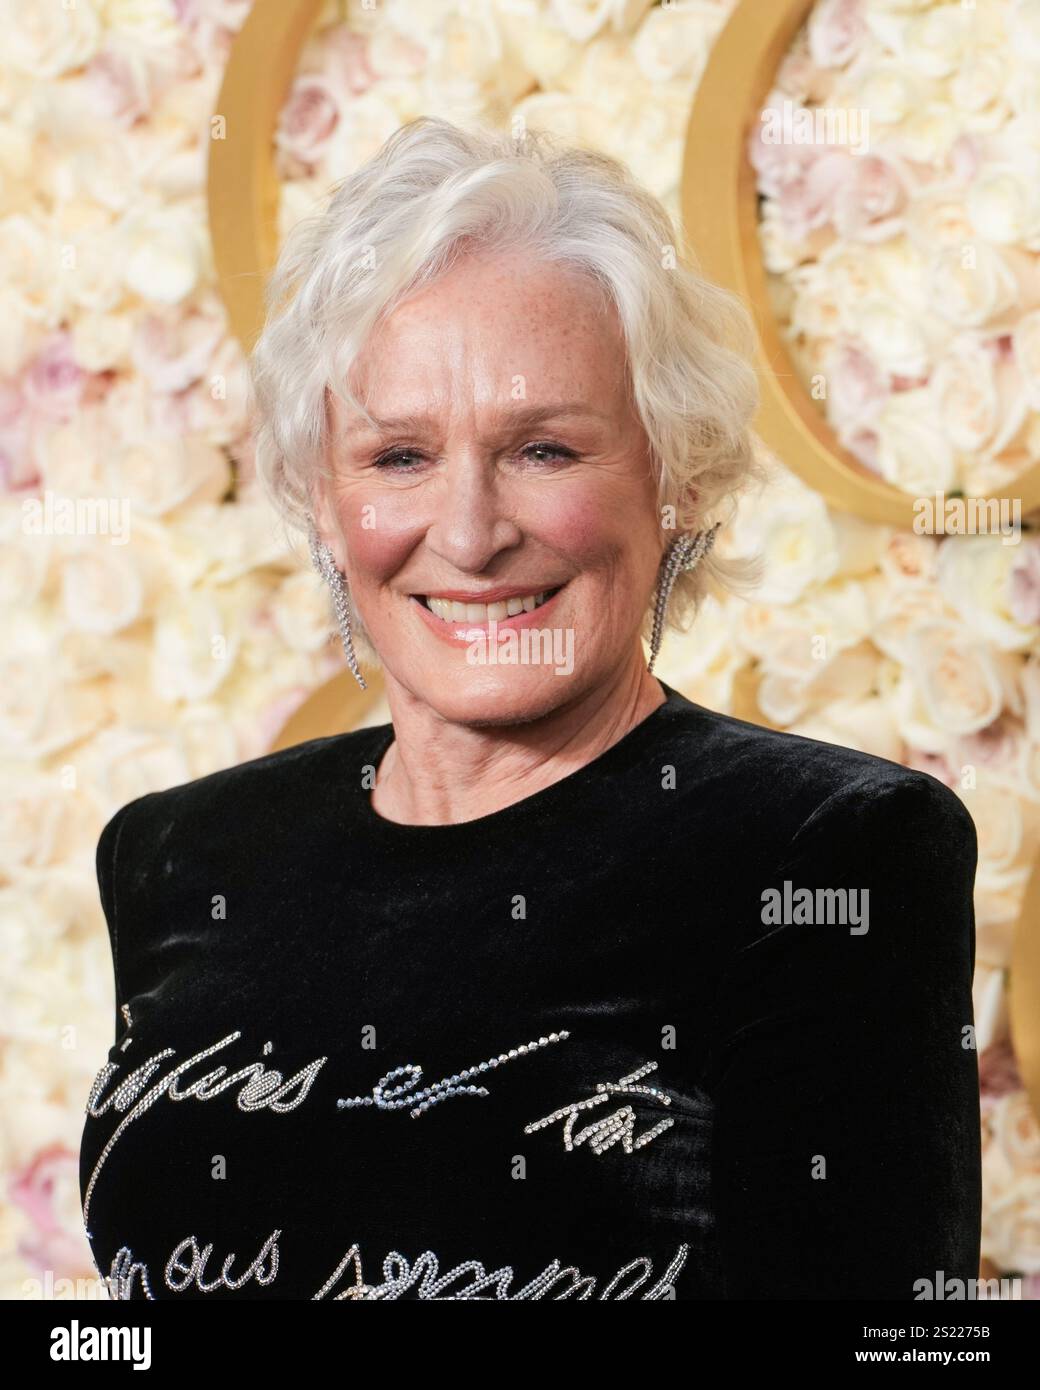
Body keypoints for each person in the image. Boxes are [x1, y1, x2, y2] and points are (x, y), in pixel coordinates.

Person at [79, 116, 980, 1301]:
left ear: (677, 479)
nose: (467, 533)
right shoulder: (177, 853)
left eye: (543, 449)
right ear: (318, 498)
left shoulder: (831, 845)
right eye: (398, 456)